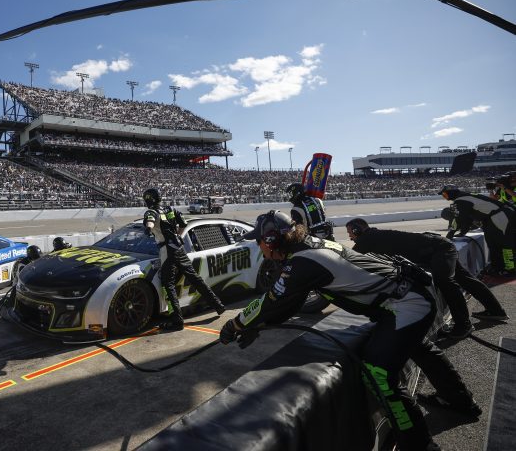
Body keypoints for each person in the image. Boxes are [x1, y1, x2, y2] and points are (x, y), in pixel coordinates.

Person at [220, 210, 481, 451]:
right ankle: (460, 402)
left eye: (259, 241)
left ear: (272, 240)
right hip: (409, 295)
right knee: (419, 347)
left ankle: (419, 445)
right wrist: (260, 322)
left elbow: (273, 301)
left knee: (378, 373)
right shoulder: (309, 247)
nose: (258, 246)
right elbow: (289, 303)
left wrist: (236, 323)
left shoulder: (303, 262)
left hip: (406, 304)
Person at [346, 218, 508, 337]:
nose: (349, 237)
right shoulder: (373, 235)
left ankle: (463, 325)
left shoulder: (367, 238)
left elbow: (349, 257)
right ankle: (495, 310)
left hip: (439, 250)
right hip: (439, 247)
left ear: (356, 230)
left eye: (350, 233)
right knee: (466, 280)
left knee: (444, 281)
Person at [142, 188, 225, 330]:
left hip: (167, 250)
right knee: (195, 278)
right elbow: (184, 224)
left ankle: (177, 320)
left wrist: (148, 229)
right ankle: (218, 305)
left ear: (148, 200)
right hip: (180, 248)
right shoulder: (170, 209)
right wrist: (178, 236)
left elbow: (150, 222)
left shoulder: (151, 212)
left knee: (167, 284)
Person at [439, 184, 515, 277]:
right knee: (493, 243)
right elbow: (467, 219)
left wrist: (449, 236)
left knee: (503, 243)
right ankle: (498, 268)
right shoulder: (466, 196)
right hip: (495, 216)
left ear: (451, 192)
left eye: (445, 195)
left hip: (499, 216)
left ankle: (509, 269)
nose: (445, 197)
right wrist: (463, 232)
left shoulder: (460, 200)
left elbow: (459, 220)